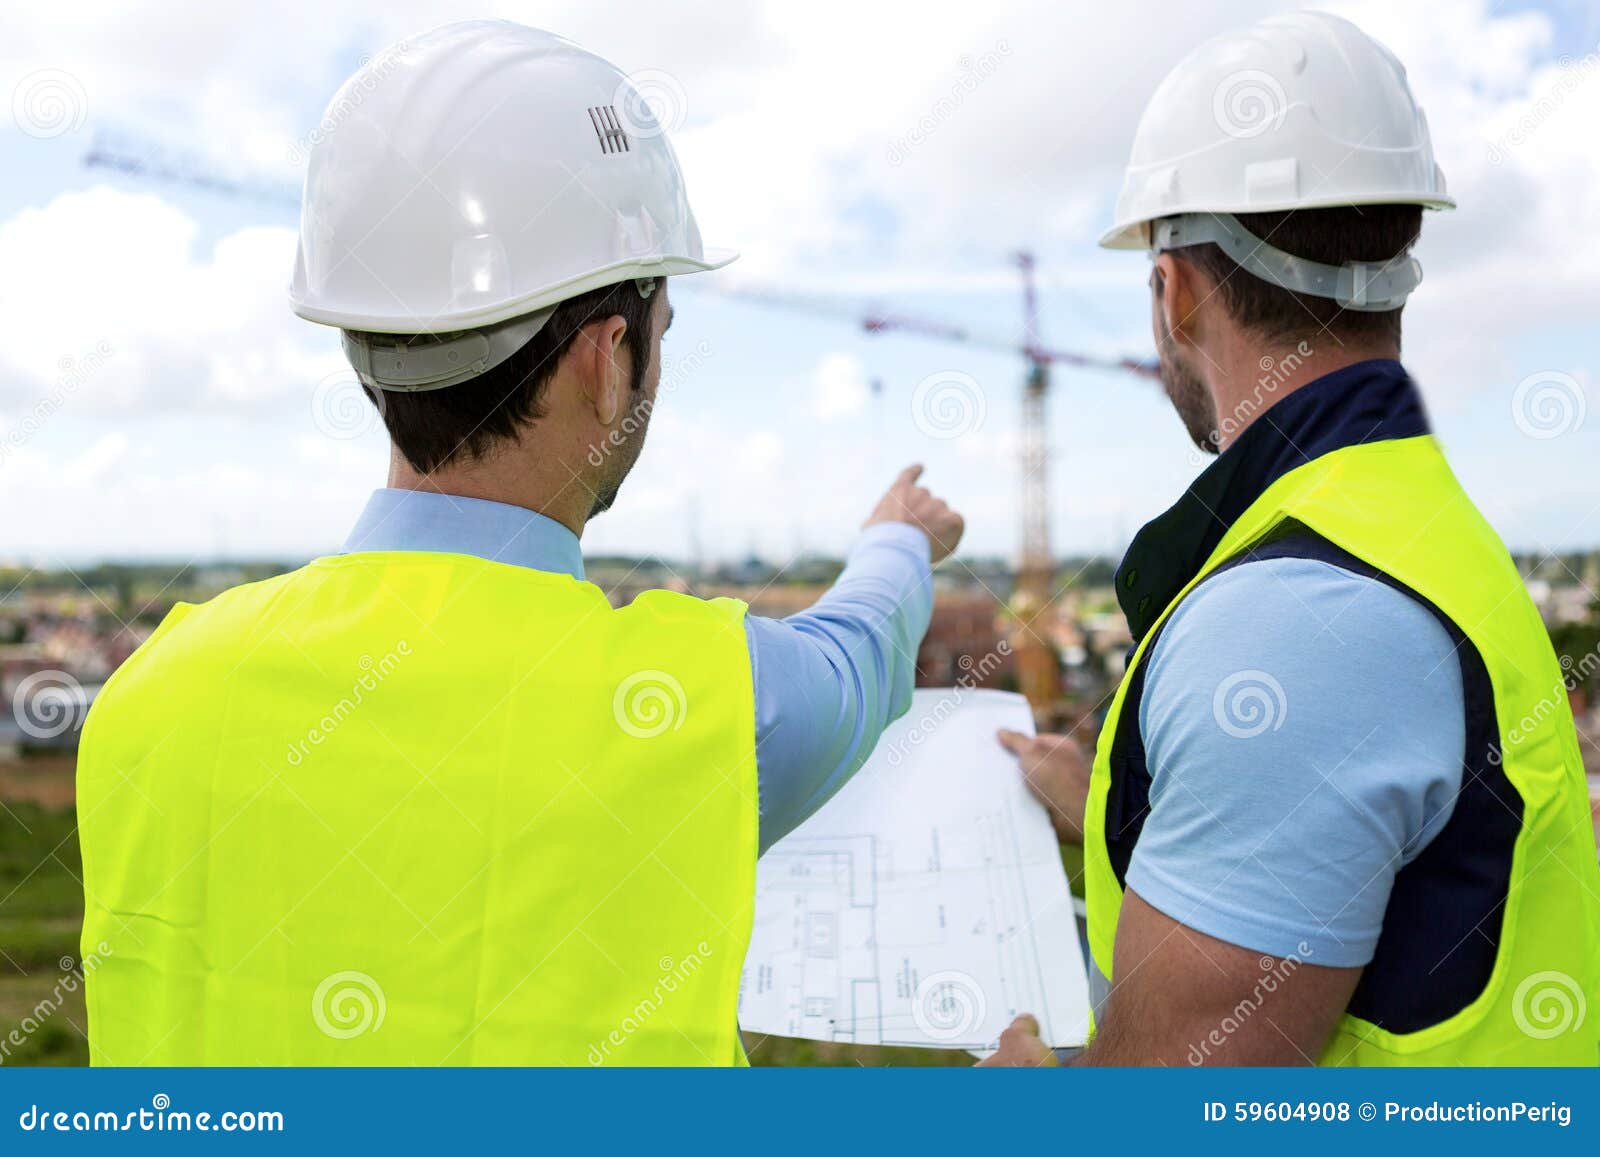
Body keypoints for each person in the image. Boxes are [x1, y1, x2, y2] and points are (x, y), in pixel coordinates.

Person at [76, 21, 962, 1066]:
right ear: (608, 356)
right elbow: (862, 646)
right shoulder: (714, 702)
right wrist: (896, 539)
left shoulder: (149, 694)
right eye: (659, 335)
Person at [988, 11, 1600, 1066]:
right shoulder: (1407, 516)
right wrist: (1103, 812)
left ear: (1173, 292)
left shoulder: (1293, 618)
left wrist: (1033, 1092)